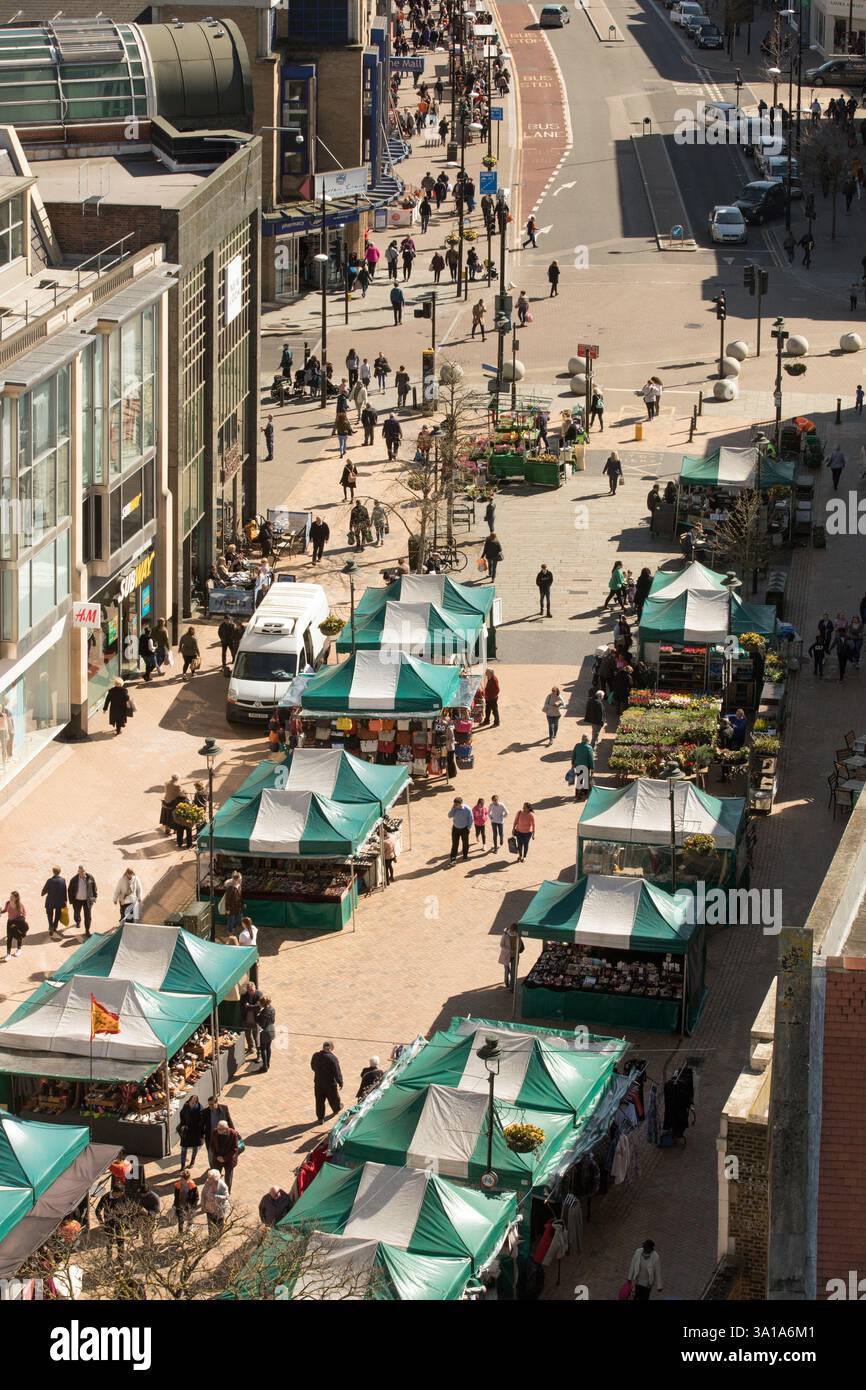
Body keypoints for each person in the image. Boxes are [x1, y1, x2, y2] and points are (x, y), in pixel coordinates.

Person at [311, 1041, 343, 1124]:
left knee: (319, 1101)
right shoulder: (332, 1058)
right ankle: (336, 1109)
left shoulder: (316, 1055)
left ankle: (320, 1118)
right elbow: (337, 1072)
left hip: (318, 1083)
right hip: (330, 1084)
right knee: (334, 1098)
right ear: (330, 1048)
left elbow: (313, 1066)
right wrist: (340, 1081)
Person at [178, 1093, 207, 1171]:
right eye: (191, 1102)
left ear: (197, 1102)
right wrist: (183, 1125)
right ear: (189, 1100)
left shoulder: (200, 1109)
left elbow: (202, 1122)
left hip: (196, 1131)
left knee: (195, 1147)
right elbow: (181, 1115)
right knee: (183, 1148)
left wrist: (202, 1135)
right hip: (187, 1131)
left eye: (194, 1102)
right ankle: (182, 1165)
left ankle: (192, 1161)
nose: (192, 1103)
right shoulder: (186, 1106)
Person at [210, 1119, 240, 1193]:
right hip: (217, 1159)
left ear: (226, 1129)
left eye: (220, 1129)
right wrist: (217, 1156)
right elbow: (212, 1145)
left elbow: (235, 1149)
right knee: (215, 1178)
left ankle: (227, 1193)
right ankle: (216, 1192)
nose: (218, 1130)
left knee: (228, 1179)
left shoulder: (233, 1134)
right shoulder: (215, 1132)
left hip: (229, 1160)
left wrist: (225, 1158)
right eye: (218, 1128)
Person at [41, 866, 68, 940]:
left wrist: (43, 893)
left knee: (49, 914)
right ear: (59, 872)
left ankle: (51, 926)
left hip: (50, 901)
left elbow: (45, 889)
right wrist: (65, 900)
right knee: (58, 914)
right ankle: (55, 926)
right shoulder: (63, 880)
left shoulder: (50, 880)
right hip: (59, 901)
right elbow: (64, 890)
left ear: (53, 872)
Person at [201, 1169, 230, 1235]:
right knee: (210, 1225)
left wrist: (215, 1196)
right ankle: (211, 1237)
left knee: (219, 1226)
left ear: (216, 1179)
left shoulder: (223, 1185)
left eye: (211, 1179)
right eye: (209, 1178)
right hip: (209, 1208)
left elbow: (227, 1197)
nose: (209, 1180)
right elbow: (203, 1193)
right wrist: (203, 1204)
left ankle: (217, 1236)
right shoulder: (208, 1182)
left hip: (218, 1210)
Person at [240, 979, 263, 1058]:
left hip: (255, 1021)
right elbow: (242, 1007)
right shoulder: (244, 995)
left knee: (256, 1038)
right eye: (249, 990)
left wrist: (249, 1006)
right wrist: (252, 1007)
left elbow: (258, 1007)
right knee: (248, 1035)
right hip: (246, 1019)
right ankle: (250, 1048)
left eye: (252, 990)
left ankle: (259, 1053)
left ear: (255, 988)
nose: (251, 992)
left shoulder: (259, 995)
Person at [3, 891, 27, 962]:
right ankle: (8, 954)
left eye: (12, 897)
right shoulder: (8, 903)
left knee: (18, 936)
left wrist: (17, 923)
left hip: (17, 923)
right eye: (10, 896)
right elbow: (5, 910)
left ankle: (19, 949)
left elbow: (24, 915)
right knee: (9, 938)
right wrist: (1, 911)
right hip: (9, 922)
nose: (10, 897)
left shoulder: (19, 905)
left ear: (16, 898)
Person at [448, 796, 473, 862]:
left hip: (464, 829)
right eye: (455, 804)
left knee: (465, 843)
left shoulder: (467, 809)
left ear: (461, 803)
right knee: (455, 844)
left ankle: (465, 855)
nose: (456, 806)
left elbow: (471, 819)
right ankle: (453, 858)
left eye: (457, 804)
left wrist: (468, 828)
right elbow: (449, 816)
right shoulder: (454, 808)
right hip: (455, 829)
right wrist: (453, 808)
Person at [571, 734, 595, 800]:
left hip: (577, 765)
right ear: (588, 740)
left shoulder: (577, 746)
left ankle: (577, 795)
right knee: (585, 781)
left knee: (579, 780)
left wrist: (572, 764)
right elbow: (591, 759)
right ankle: (584, 794)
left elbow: (573, 755)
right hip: (585, 766)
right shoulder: (589, 747)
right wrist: (592, 768)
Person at [499, 924, 523, 989]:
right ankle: (506, 982)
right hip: (506, 955)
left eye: (515, 932)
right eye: (513, 932)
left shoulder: (518, 935)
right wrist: (509, 951)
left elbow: (520, 944)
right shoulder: (505, 935)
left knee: (513, 972)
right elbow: (501, 945)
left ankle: (512, 987)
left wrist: (516, 951)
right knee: (507, 971)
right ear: (510, 930)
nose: (514, 933)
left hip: (515, 956)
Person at [256, 995, 276, 1072]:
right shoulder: (272, 1009)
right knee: (268, 1047)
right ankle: (268, 1063)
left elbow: (262, 1024)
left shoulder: (264, 1012)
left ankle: (265, 1066)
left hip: (265, 1031)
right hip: (272, 1029)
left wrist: (258, 1016)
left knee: (263, 1048)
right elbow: (273, 1020)